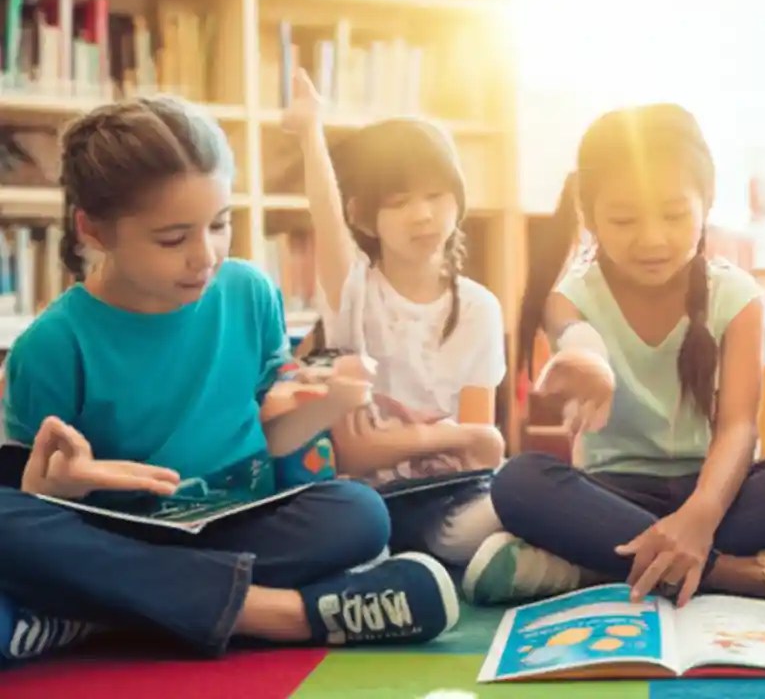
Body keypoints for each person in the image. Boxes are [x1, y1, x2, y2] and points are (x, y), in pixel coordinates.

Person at [0, 96, 457, 665]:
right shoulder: (51, 345)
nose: (206, 256)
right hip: (122, 535)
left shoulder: (248, 291)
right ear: (94, 230)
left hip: (235, 528)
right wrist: (59, 487)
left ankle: (95, 610)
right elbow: (29, 497)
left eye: (220, 225)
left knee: (359, 514)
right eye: (172, 239)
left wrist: (326, 399)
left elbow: (275, 427)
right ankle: (284, 615)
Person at [464, 103, 765, 607]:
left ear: (707, 202)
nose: (652, 239)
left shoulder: (736, 298)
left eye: (674, 215)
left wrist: (699, 517)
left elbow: (739, 427)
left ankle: (588, 567)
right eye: (624, 219)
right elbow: (576, 336)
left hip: (720, 493)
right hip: (613, 493)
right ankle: (742, 574)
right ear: (589, 217)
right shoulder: (572, 295)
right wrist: (588, 362)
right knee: (517, 482)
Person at [281, 69, 505, 566]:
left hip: (454, 497)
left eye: (435, 196)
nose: (423, 215)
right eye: (399, 202)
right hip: (366, 499)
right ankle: (397, 566)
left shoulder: (479, 308)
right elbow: (353, 456)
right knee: (351, 527)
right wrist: (310, 131)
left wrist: (393, 442)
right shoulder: (355, 292)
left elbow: (483, 448)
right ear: (364, 218)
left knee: (500, 512)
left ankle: (480, 566)